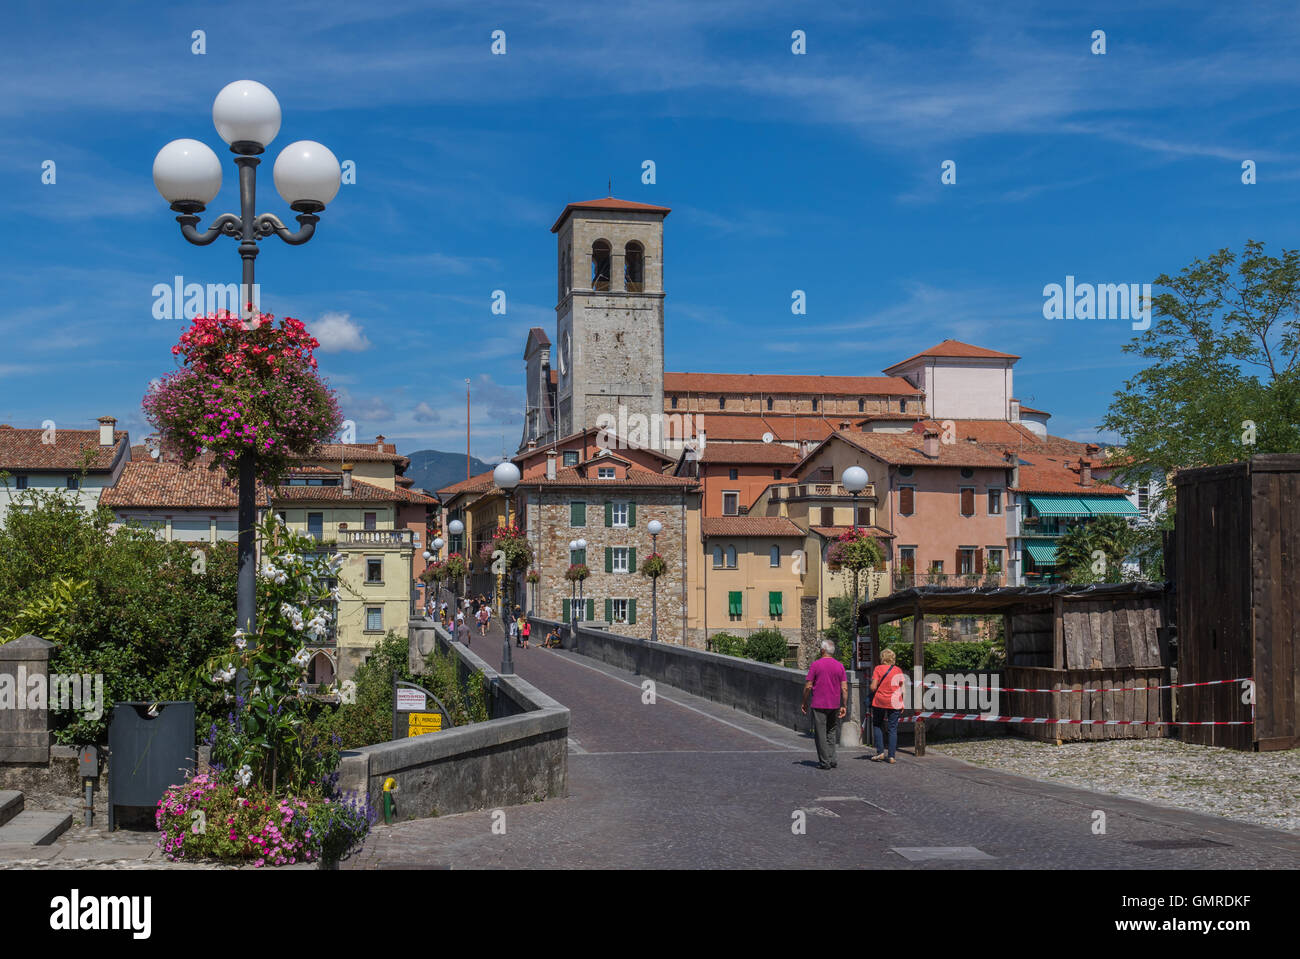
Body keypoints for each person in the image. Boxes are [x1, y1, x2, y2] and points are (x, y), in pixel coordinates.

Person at [800, 640, 847, 770]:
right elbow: (844, 688)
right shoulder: (840, 666)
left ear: (822, 650)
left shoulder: (816, 665)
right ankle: (832, 759)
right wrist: (844, 704)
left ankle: (825, 762)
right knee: (831, 731)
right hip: (835, 704)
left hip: (819, 704)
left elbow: (808, 686)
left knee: (820, 733)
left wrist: (804, 702)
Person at [869, 648, 906, 764]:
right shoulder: (898, 670)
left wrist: (871, 687)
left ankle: (880, 752)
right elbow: (902, 688)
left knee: (877, 725)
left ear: (882, 658)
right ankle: (891, 756)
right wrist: (902, 702)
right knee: (893, 729)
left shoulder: (878, 669)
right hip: (895, 702)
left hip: (880, 701)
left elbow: (873, 687)